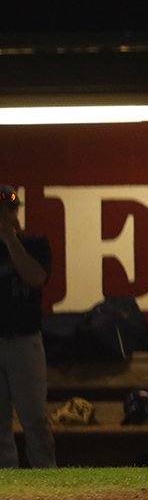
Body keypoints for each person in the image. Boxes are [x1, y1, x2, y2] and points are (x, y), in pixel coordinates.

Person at [0, 184, 55, 469]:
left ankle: (47, 479)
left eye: (11, 209)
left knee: (34, 417)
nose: (7, 214)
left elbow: (35, 278)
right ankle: (5, 487)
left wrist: (10, 239)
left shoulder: (35, 244)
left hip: (24, 340)